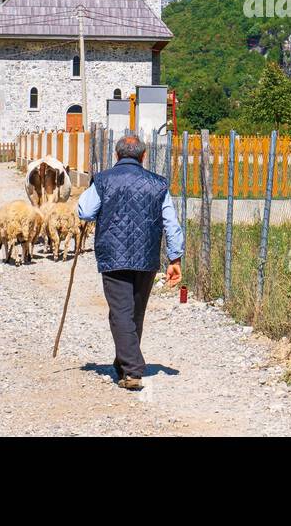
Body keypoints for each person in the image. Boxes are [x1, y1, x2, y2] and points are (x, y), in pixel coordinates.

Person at [76, 132, 183, 390]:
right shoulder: (158, 184)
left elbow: (85, 211)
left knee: (121, 313)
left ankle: (132, 370)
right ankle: (124, 363)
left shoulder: (103, 180)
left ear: (117, 155)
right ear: (144, 156)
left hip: (113, 255)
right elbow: (171, 222)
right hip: (145, 256)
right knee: (135, 312)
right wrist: (174, 257)